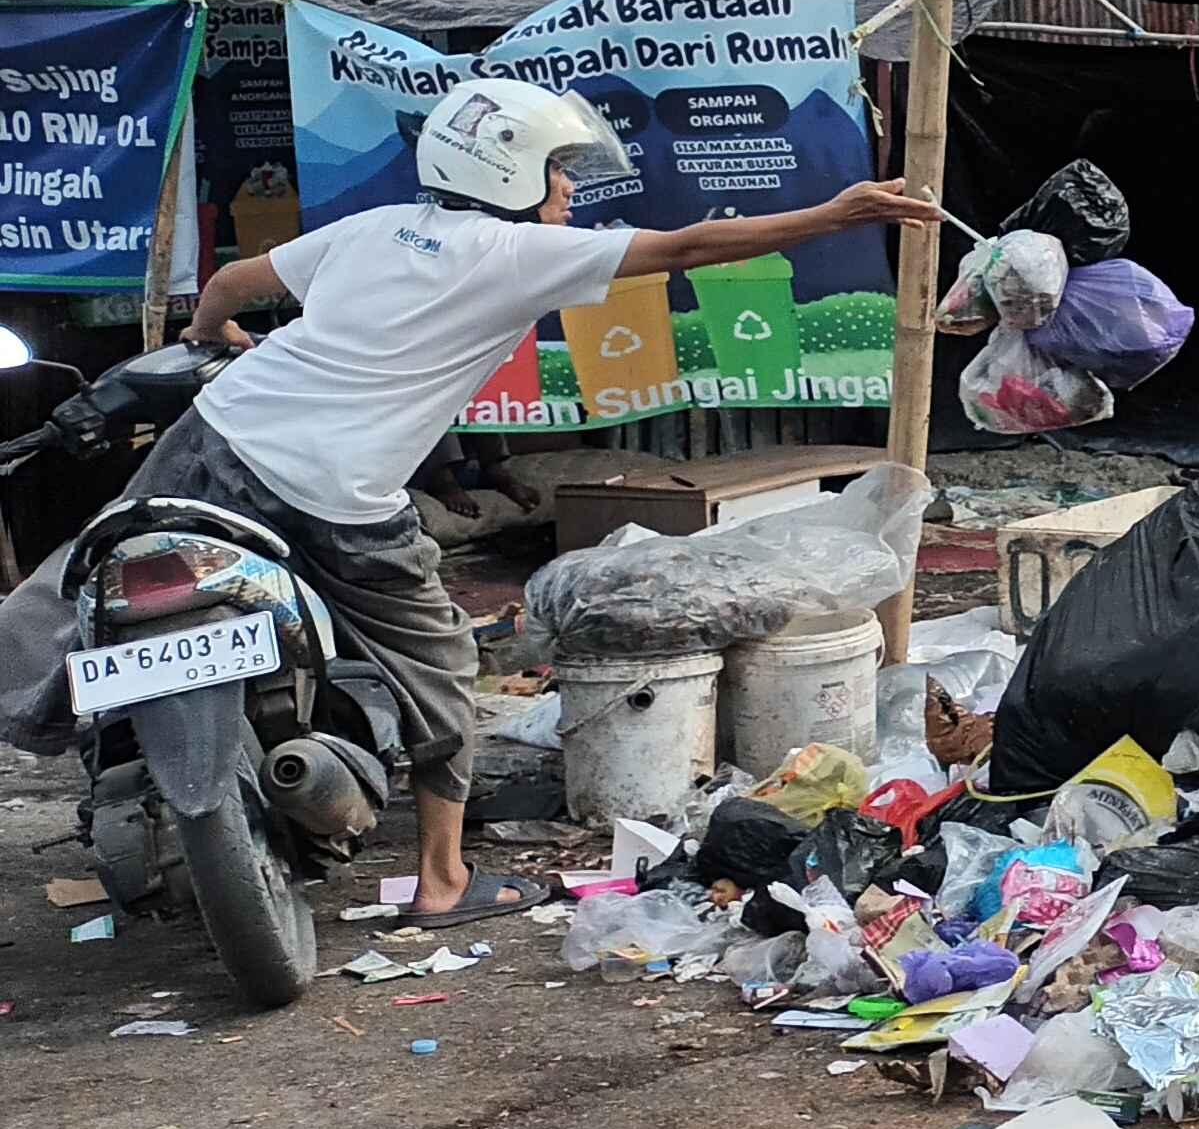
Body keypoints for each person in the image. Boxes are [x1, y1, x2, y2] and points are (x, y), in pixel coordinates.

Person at [0, 78, 941, 929]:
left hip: (213, 434)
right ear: (511, 174)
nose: (569, 191)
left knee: (98, 568)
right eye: (559, 173)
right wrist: (835, 212)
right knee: (443, 659)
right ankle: (443, 879)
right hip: (337, 497)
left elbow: (228, 285)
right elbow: (688, 245)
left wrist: (219, 339)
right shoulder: (515, 250)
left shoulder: (373, 227)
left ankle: (37, 710)